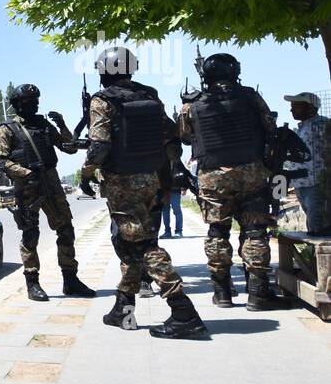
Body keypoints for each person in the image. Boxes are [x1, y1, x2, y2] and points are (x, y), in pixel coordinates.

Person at [78, 47, 208, 338]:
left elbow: (99, 146)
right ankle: (123, 307)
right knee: (130, 244)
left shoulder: (103, 100)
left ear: (105, 71)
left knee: (142, 246)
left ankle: (182, 310)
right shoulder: (150, 95)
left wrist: (85, 174)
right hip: (150, 177)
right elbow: (171, 133)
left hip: (122, 182)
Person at [179, 53, 280, 309]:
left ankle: (222, 292)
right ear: (235, 71)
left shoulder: (192, 104)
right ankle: (258, 294)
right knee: (255, 232)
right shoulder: (250, 97)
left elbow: (184, 136)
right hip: (251, 174)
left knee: (217, 232)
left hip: (213, 178)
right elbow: (270, 128)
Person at [0, 84, 97, 301]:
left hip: (51, 182)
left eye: (37, 100)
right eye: (30, 101)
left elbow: (69, 147)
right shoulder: (7, 129)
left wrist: (62, 125)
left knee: (66, 229)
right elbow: (0, 161)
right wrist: (25, 173)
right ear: (19, 105)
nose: (35, 105)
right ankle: (32, 283)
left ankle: (71, 280)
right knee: (31, 235)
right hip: (28, 186)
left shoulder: (44, 125)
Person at [284, 91, 328, 234]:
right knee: (313, 224)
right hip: (301, 183)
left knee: (318, 227)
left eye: (296, 106)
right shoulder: (302, 127)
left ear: (310, 108)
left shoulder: (323, 124)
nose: (291, 110)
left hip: (316, 184)